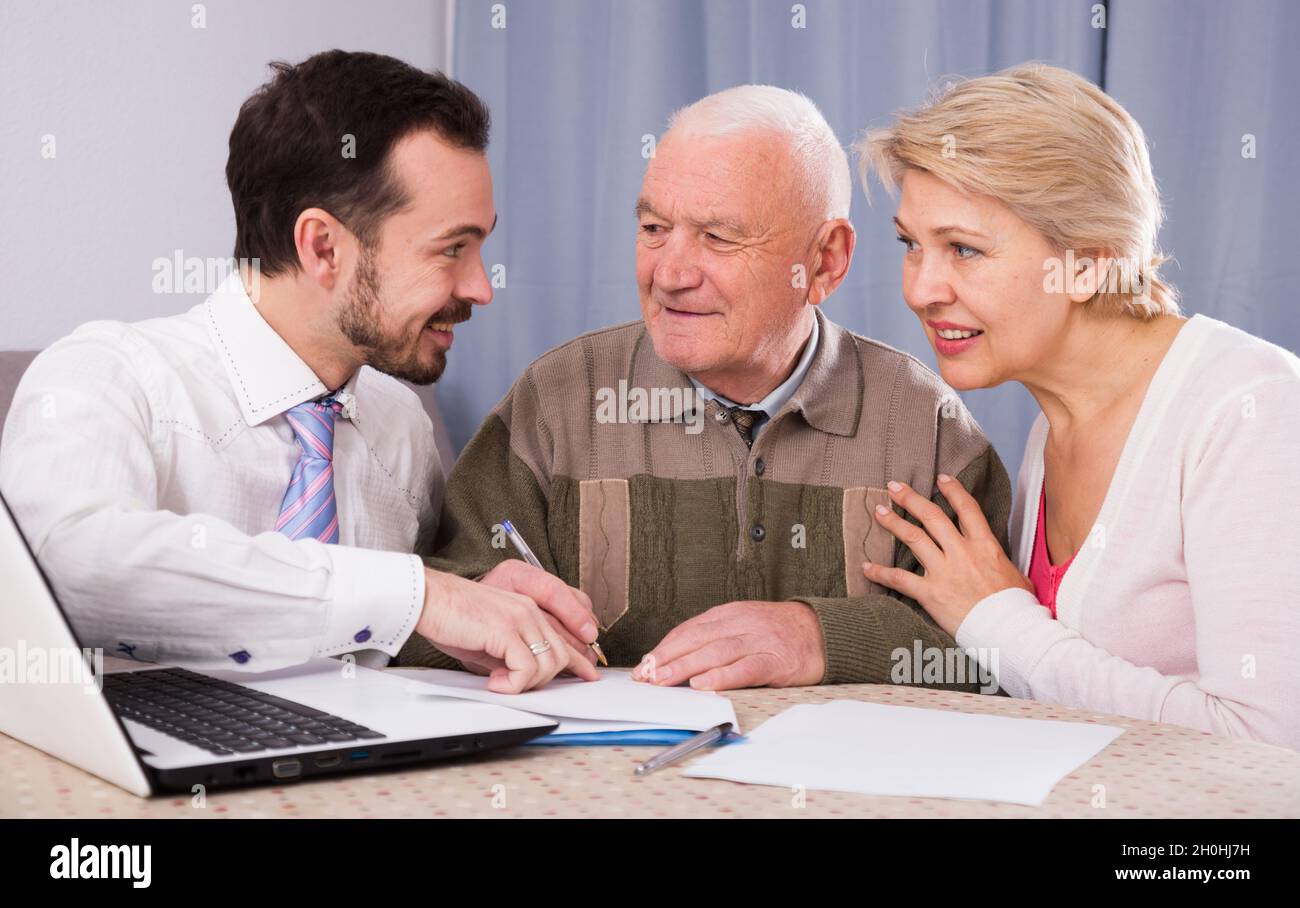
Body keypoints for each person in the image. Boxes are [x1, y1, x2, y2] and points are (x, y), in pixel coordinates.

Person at [0, 50, 598, 694]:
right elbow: (69, 568)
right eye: (452, 249)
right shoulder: (107, 376)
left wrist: (459, 599)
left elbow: (386, 625)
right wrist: (417, 593)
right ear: (322, 246)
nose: (481, 287)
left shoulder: (400, 426)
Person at [398, 85, 1011, 693]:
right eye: (654, 227)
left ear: (825, 261)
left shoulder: (928, 427)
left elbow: (999, 657)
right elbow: (419, 623)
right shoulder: (556, 400)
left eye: (718, 237)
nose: (669, 274)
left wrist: (821, 637)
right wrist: (474, 614)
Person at [855, 63, 1300, 748]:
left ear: (1089, 262)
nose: (921, 289)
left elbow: (1267, 742)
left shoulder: (1250, 411)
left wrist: (995, 618)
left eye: (964, 249)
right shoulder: (1052, 424)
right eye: (912, 244)